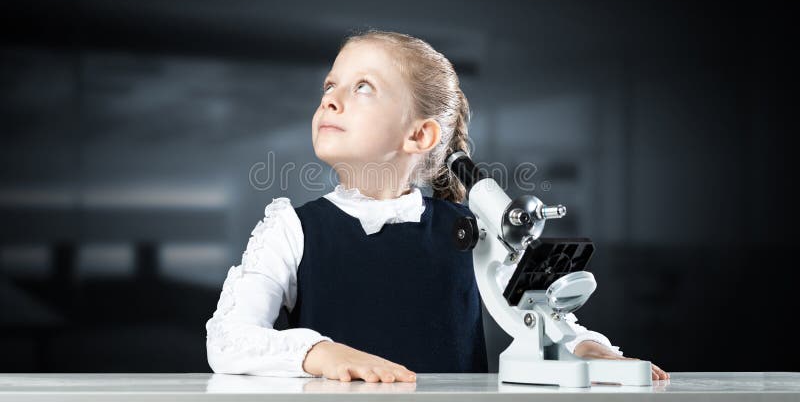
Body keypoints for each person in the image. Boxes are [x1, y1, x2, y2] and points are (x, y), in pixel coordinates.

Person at [205, 29, 669, 383]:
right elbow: (227, 338)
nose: (330, 98)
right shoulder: (289, 229)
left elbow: (536, 313)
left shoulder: (472, 231)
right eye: (330, 85)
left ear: (419, 135)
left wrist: (582, 347)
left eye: (362, 87)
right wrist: (321, 354)